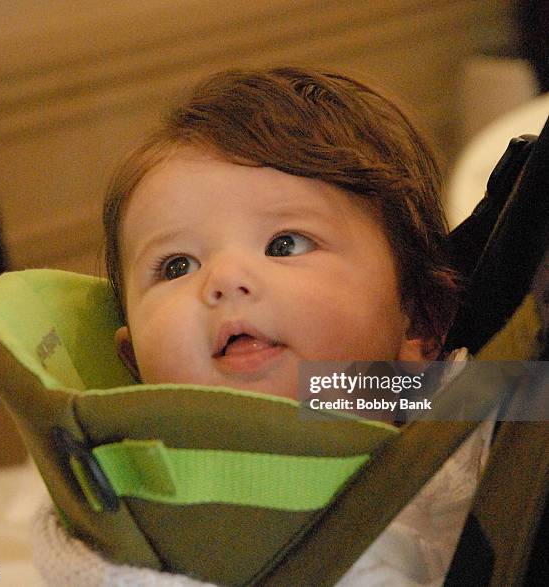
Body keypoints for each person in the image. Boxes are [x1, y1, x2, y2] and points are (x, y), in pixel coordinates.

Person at [35, 67, 491, 586]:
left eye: (285, 244)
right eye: (177, 266)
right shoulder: (118, 510)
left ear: (421, 326)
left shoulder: (480, 434)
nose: (224, 280)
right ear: (135, 364)